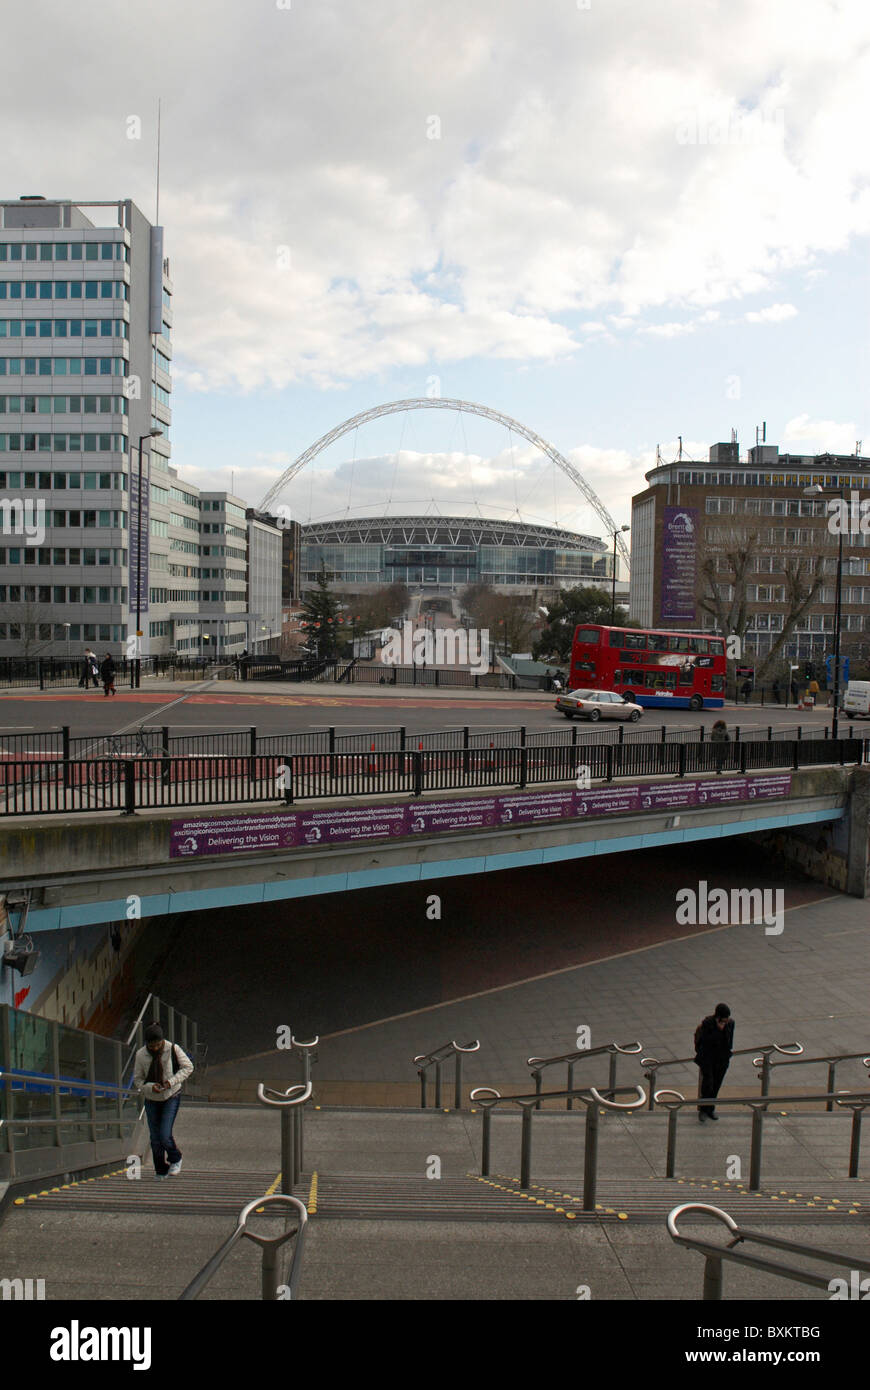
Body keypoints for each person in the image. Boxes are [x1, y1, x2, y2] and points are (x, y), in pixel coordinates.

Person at [133, 1023, 194, 1179]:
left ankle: (175, 1158)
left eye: (158, 1044)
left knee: (164, 1135)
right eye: (151, 1045)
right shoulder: (140, 1055)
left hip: (170, 1096)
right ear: (146, 1043)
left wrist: (171, 1082)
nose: (155, 1048)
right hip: (151, 1098)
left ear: (162, 1041)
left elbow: (188, 1067)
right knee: (155, 1138)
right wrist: (150, 1087)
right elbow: (137, 1079)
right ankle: (160, 1170)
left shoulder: (172, 1048)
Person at [694, 1003, 735, 1121]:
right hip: (708, 1059)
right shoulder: (707, 1023)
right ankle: (703, 1109)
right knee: (708, 1084)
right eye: (723, 1019)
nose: (725, 1021)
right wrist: (717, 1030)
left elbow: (729, 1043)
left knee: (716, 1085)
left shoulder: (730, 1024)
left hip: (722, 1060)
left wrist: (724, 1030)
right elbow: (706, 1042)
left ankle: (710, 1109)